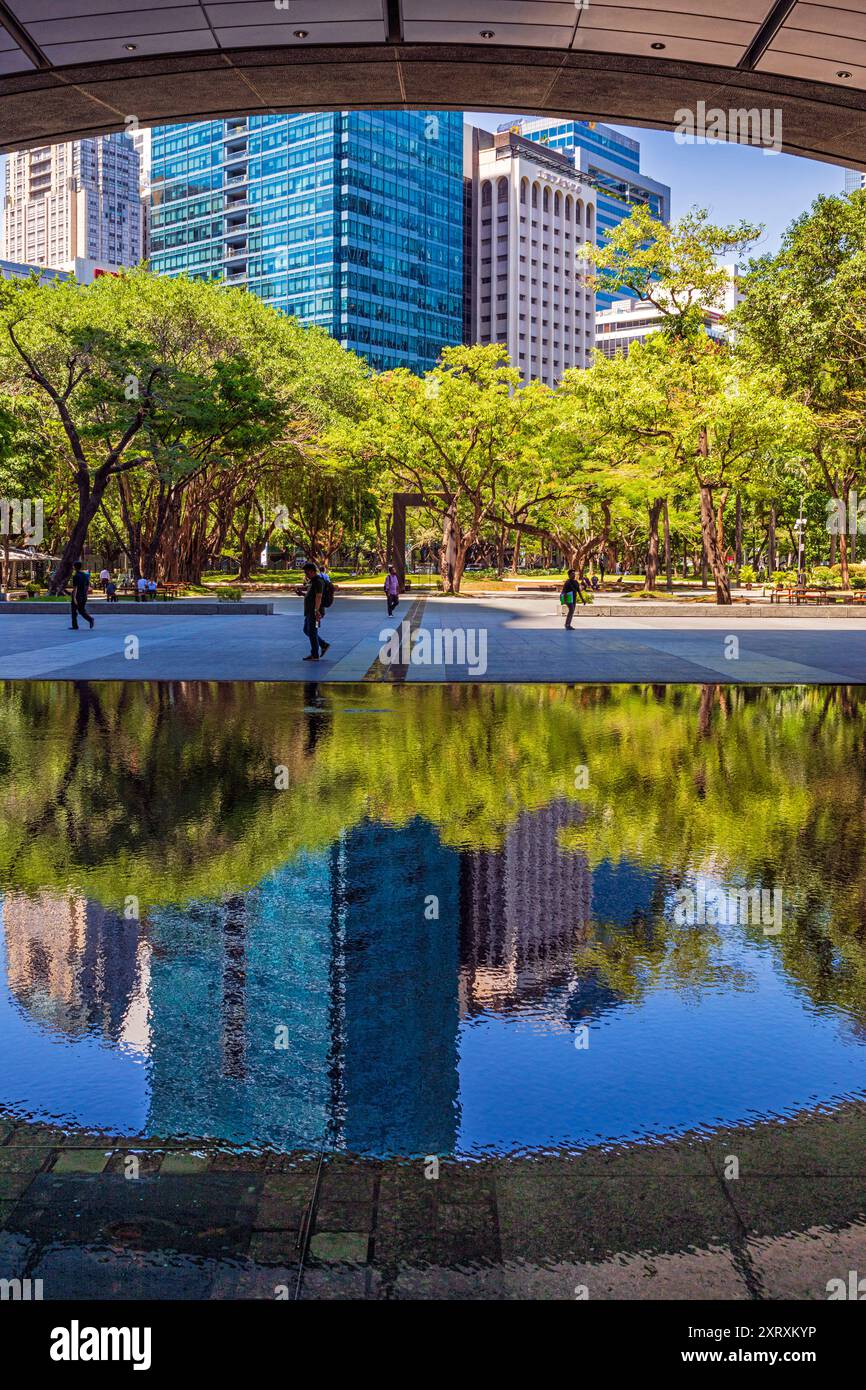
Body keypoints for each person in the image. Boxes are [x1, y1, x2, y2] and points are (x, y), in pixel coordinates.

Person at [300, 560, 330, 660]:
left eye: (307, 572)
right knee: (306, 630)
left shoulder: (318, 582)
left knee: (312, 632)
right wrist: (302, 594)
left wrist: (317, 611)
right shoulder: (312, 581)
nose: (306, 575)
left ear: (313, 571)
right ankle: (323, 645)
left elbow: (319, 596)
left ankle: (315, 654)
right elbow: (312, 596)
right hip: (310, 611)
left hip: (315, 611)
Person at [68, 560, 94, 631]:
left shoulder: (76, 576)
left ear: (74, 567)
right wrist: (86, 595)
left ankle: (75, 625)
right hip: (83, 595)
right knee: (81, 610)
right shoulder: (85, 575)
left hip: (77, 595)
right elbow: (87, 586)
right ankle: (90, 619)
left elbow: (75, 588)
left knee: (74, 611)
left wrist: (74, 598)